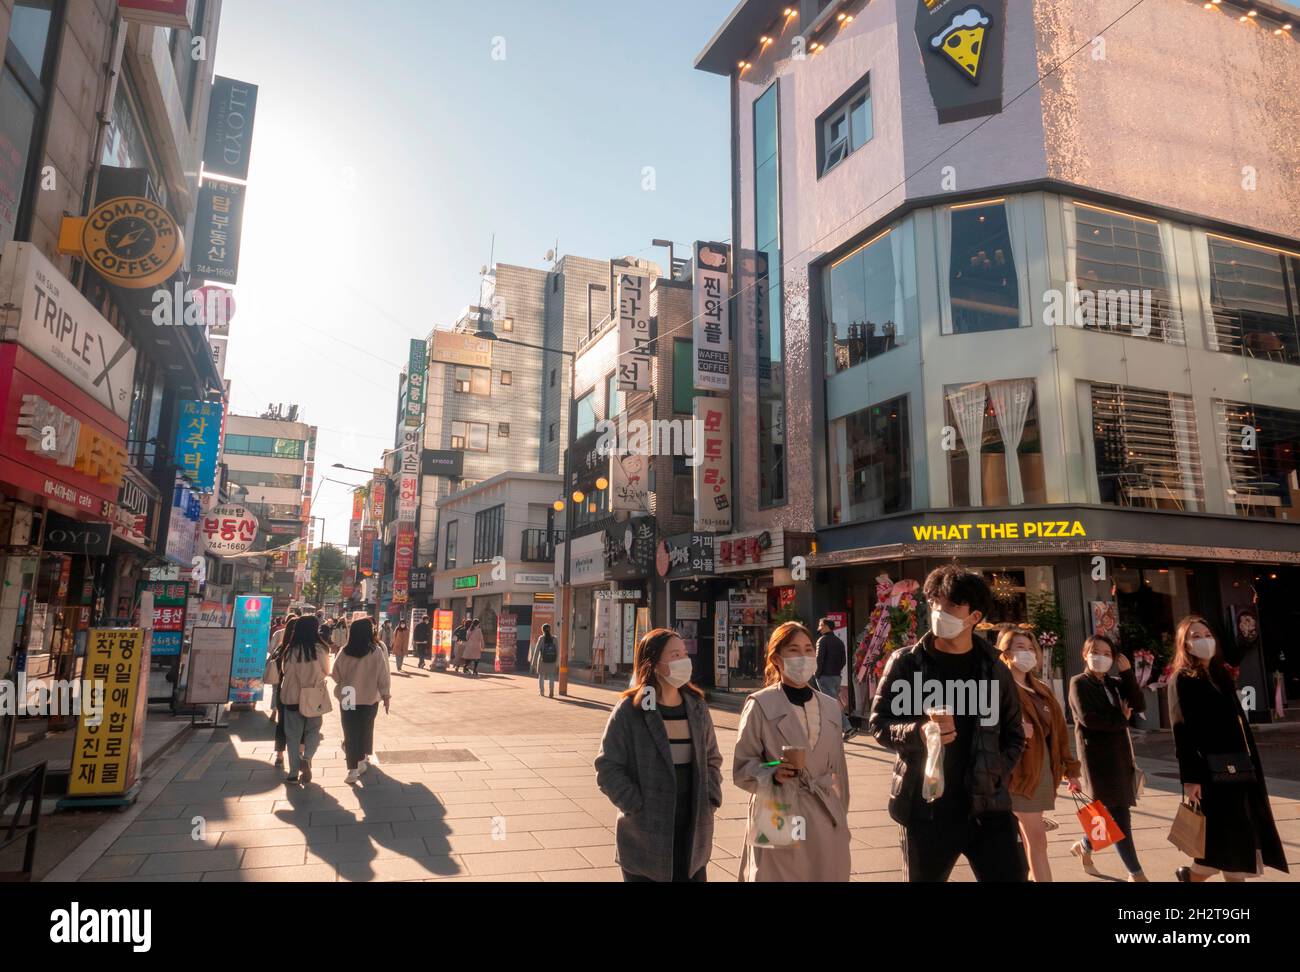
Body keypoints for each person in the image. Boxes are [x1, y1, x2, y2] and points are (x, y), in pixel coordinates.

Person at [869, 565, 1027, 882]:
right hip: (926, 810)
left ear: (975, 616)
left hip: (988, 809)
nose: (940, 611)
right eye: (935, 603)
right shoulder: (907, 663)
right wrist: (919, 731)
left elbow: (1014, 734)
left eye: (952, 605)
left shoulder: (995, 669)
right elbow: (880, 724)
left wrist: (995, 772)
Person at [595, 628, 723, 882]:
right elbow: (607, 766)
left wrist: (711, 797)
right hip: (645, 834)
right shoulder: (630, 710)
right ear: (653, 664)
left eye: (684, 653)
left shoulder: (696, 706)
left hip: (693, 828)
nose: (684, 661)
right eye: (675, 655)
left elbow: (712, 758)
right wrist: (634, 804)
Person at [1168, 615, 1288, 882]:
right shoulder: (1181, 679)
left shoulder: (1220, 675)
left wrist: (1251, 764)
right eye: (1195, 636)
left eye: (1207, 635)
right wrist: (1190, 778)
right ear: (1185, 645)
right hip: (1210, 774)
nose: (1203, 640)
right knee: (1225, 846)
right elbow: (1182, 732)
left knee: (1234, 846)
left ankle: (1190, 878)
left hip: (1239, 770)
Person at [734, 621, 851, 881]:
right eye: (794, 650)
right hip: (777, 806)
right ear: (777, 658)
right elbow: (742, 769)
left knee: (824, 872)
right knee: (777, 874)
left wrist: (841, 817)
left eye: (809, 650)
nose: (804, 657)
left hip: (823, 809)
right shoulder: (760, 704)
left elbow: (839, 773)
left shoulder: (831, 707)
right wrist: (773, 772)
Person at [997, 627, 1081, 882]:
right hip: (1018, 770)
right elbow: (984, 725)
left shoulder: (1041, 688)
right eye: (1020, 648)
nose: (1027, 653)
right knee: (1037, 838)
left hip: (1043, 768)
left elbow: (1059, 733)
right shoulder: (1000, 685)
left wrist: (1071, 770)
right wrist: (1013, 729)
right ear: (1006, 652)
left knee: (1028, 836)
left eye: (1031, 648)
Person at [1068, 634, 1148, 881]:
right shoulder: (1078, 683)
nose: (1100, 658)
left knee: (1106, 816)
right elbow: (1089, 719)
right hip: (1097, 760)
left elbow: (1138, 704)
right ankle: (1136, 874)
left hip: (1120, 757)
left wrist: (1127, 675)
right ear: (1085, 654)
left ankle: (1084, 845)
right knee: (1119, 817)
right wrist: (1121, 719)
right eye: (1096, 652)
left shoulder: (1114, 683)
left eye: (1107, 654)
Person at [331, 617, 392, 784]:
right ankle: (362, 760)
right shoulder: (376, 652)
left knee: (350, 731)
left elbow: (335, 674)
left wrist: (348, 681)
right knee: (365, 727)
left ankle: (352, 770)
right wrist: (386, 695)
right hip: (370, 696)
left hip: (349, 694)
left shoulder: (344, 651)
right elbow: (383, 676)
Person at [278, 616, 330, 785]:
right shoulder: (320, 649)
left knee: (293, 736)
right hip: (314, 697)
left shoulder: (290, 650)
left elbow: (285, 671)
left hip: (292, 698)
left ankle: (293, 773)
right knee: (313, 731)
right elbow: (326, 671)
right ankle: (307, 759)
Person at [268, 615, 299, 769]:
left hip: (281, 689)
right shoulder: (299, 650)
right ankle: (300, 755)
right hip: (297, 691)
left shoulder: (281, 648)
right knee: (299, 725)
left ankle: (279, 754)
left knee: (282, 723)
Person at [814, 617, 851, 736]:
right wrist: (837, 672)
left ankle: (848, 728)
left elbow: (819, 659)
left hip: (825, 677)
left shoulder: (822, 640)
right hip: (836, 676)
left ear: (826, 626)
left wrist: (817, 674)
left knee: (831, 704)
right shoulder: (839, 641)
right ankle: (831, 728)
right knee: (831, 703)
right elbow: (843, 661)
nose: (819, 628)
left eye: (820, 625)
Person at [530, 623, 560, 698]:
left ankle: (542, 692)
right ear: (550, 630)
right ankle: (551, 691)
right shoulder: (555, 639)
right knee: (551, 676)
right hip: (552, 661)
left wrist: (533, 664)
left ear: (542, 630)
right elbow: (557, 651)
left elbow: (536, 651)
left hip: (542, 661)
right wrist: (556, 662)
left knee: (541, 676)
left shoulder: (541, 638)